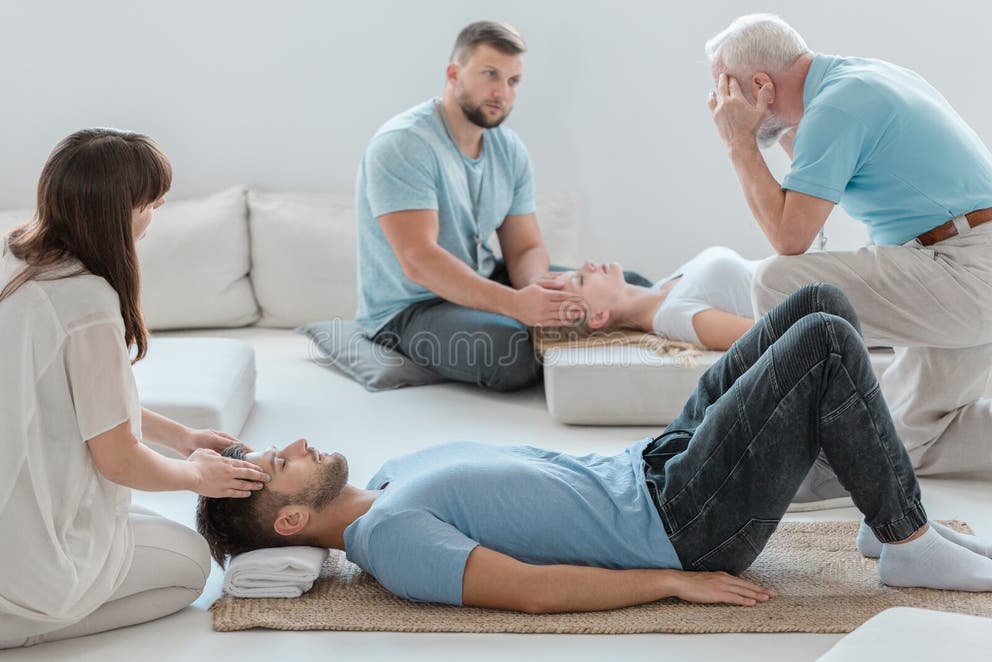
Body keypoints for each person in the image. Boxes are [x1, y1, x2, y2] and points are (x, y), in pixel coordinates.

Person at [198, 284, 992, 613]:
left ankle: (878, 511)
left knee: (818, 305)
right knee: (821, 343)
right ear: (294, 521)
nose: (293, 444)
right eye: (278, 466)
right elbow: (532, 590)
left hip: (658, 464)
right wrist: (671, 585)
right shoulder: (389, 539)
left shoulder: (390, 477)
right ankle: (907, 541)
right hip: (684, 521)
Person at [0, 129, 271, 648]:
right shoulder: (87, 302)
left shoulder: (15, 255)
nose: (156, 211)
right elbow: (119, 460)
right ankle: (21, 625)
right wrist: (196, 476)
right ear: (116, 211)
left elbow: (75, 397)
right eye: (151, 202)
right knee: (191, 564)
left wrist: (183, 439)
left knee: (132, 518)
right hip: (23, 550)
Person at [703, 15, 992, 498]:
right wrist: (767, 129)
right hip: (965, 270)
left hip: (965, 275)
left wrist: (739, 143)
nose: (721, 106)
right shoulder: (856, 82)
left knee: (777, 282)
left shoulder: (837, 107)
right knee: (908, 439)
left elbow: (789, 237)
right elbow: (810, 179)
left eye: (725, 90)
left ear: (760, 85)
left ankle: (779, 454)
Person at [355, 20, 646, 392]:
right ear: (453, 74)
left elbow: (524, 246)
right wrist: (516, 306)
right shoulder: (403, 144)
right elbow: (418, 260)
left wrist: (539, 291)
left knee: (629, 287)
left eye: (513, 81)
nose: (502, 92)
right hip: (409, 309)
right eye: (490, 74)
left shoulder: (508, 149)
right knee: (509, 349)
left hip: (484, 278)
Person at [547, 246, 757, 350]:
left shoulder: (662, 286)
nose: (588, 263)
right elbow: (769, 334)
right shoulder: (673, 316)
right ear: (597, 317)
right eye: (581, 280)